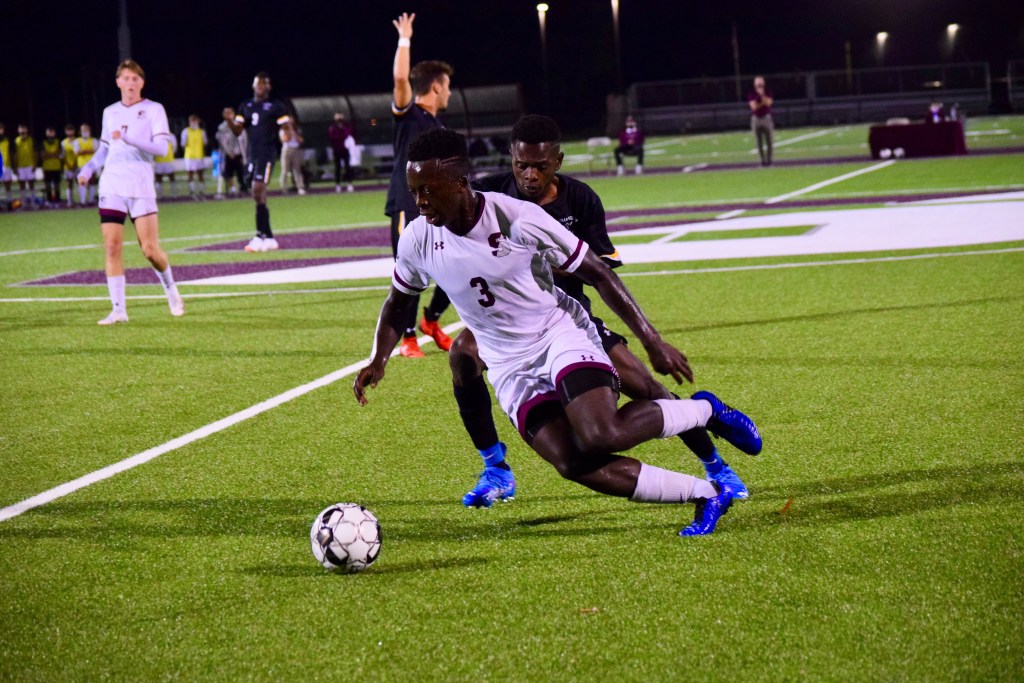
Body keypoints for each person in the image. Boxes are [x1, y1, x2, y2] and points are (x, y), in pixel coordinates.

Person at [355, 128, 762, 536]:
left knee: (602, 434)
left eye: (428, 190)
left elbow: (599, 273)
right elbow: (399, 302)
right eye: (414, 191)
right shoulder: (417, 239)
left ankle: (708, 410)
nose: (419, 202)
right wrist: (378, 358)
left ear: (461, 184)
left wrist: (652, 341)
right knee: (571, 461)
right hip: (507, 365)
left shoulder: (517, 218)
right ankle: (706, 494)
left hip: (558, 336)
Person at [456, 114, 751, 507]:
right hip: (505, 322)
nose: (529, 175)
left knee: (647, 387)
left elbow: (602, 268)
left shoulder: (580, 199)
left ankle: (715, 466)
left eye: (540, 167)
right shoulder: (489, 193)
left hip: (567, 319)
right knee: (462, 353)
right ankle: (495, 468)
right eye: (521, 165)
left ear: (557, 161)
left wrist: (549, 261)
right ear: (511, 157)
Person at [76, 59, 185, 325]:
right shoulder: (109, 112)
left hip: (140, 185)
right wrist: (88, 169)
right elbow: (104, 148)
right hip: (112, 183)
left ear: (142, 83)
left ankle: (171, 289)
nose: (131, 83)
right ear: (118, 83)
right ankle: (118, 309)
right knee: (112, 247)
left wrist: (128, 138)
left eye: (135, 79)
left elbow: (162, 149)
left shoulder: (153, 109)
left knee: (149, 249)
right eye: (126, 78)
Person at [386, 12, 455, 358]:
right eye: (448, 86)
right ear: (437, 85)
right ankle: (409, 338)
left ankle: (432, 319)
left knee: (460, 260)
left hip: (441, 207)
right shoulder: (410, 115)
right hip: (409, 204)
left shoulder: (437, 125)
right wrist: (405, 38)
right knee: (409, 268)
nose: (450, 93)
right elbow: (400, 78)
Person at [226, 71, 293, 253]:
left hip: (267, 153)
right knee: (258, 196)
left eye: (264, 84)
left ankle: (259, 235)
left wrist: (286, 134)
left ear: (268, 87)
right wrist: (229, 120)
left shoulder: (275, 105)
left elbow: (285, 127)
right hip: (252, 154)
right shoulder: (246, 105)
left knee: (258, 190)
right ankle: (268, 237)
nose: (260, 87)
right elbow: (238, 131)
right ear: (253, 86)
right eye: (258, 84)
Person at [215, 107, 246, 198]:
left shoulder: (238, 125)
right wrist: (229, 152)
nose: (229, 115)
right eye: (227, 114)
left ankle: (243, 188)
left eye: (231, 113)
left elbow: (243, 139)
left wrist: (243, 152)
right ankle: (232, 189)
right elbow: (222, 141)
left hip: (238, 152)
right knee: (227, 172)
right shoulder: (222, 127)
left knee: (241, 172)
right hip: (228, 154)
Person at [748, 76, 774, 166]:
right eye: (757, 82)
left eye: (760, 82)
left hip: (766, 117)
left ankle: (770, 161)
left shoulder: (767, 92)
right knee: (758, 142)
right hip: (756, 118)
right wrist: (761, 100)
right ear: (755, 84)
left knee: (769, 140)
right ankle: (762, 161)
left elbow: (769, 103)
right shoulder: (752, 93)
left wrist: (762, 96)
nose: (759, 84)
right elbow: (754, 107)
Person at [181, 114, 207, 199]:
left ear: (198, 121)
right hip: (189, 156)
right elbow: (183, 144)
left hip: (199, 155)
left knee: (200, 174)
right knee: (190, 174)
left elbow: (205, 142)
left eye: (195, 120)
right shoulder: (186, 131)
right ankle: (191, 191)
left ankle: (202, 191)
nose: (193, 122)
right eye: (192, 120)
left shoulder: (201, 131)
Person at [327, 112, 355, 193]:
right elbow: (331, 137)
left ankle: (349, 183)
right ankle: (338, 184)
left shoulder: (346, 126)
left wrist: (342, 129)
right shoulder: (333, 127)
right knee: (338, 167)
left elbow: (348, 134)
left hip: (345, 149)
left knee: (347, 167)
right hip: (337, 150)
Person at [278, 119, 306, 195]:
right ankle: (283, 187)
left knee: (297, 169)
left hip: (295, 150)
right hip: (287, 150)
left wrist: (293, 131)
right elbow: (286, 139)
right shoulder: (282, 130)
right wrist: (289, 130)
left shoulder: (297, 131)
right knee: (285, 170)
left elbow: (300, 140)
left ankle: (300, 187)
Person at [13, 124, 38, 207]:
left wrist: (35, 165)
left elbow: (35, 153)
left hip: (30, 165)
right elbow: (15, 155)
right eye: (21, 129)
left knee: (31, 184)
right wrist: (15, 167)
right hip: (20, 166)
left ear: (27, 130)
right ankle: (23, 203)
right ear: (18, 131)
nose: (22, 131)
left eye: (24, 129)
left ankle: (33, 202)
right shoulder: (16, 141)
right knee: (22, 185)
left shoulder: (31, 140)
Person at [74, 123, 99, 204]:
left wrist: (83, 151)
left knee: (92, 182)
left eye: (87, 130)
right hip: (81, 165)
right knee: (82, 182)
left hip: (92, 165)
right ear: (80, 131)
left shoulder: (94, 140)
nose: (85, 132)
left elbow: (96, 151)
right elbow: (77, 152)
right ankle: (83, 201)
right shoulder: (77, 141)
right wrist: (89, 151)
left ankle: (91, 200)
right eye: (83, 130)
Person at [40, 127, 63, 205]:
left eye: (52, 131)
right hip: (47, 167)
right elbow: (43, 155)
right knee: (47, 185)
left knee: (57, 185)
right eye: (49, 132)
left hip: (57, 167)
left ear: (54, 133)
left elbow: (59, 153)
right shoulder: (43, 143)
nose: (50, 133)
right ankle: (49, 200)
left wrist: (48, 154)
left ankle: (57, 200)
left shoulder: (58, 141)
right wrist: (54, 155)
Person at [61, 124, 80, 206]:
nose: (69, 132)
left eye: (71, 130)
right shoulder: (63, 142)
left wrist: (74, 164)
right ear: (65, 132)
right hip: (67, 166)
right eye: (68, 130)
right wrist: (68, 165)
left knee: (78, 182)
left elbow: (77, 154)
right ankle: (69, 201)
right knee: (69, 183)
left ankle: (80, 200)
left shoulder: (77, 141)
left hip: (77, 165)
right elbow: (63, 155)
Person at [0, 123, 12, 203]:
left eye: (1, 128)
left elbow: (11, 153)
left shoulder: (7, 140)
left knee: (7, 184)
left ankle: (9, 202)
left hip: (6, 165)